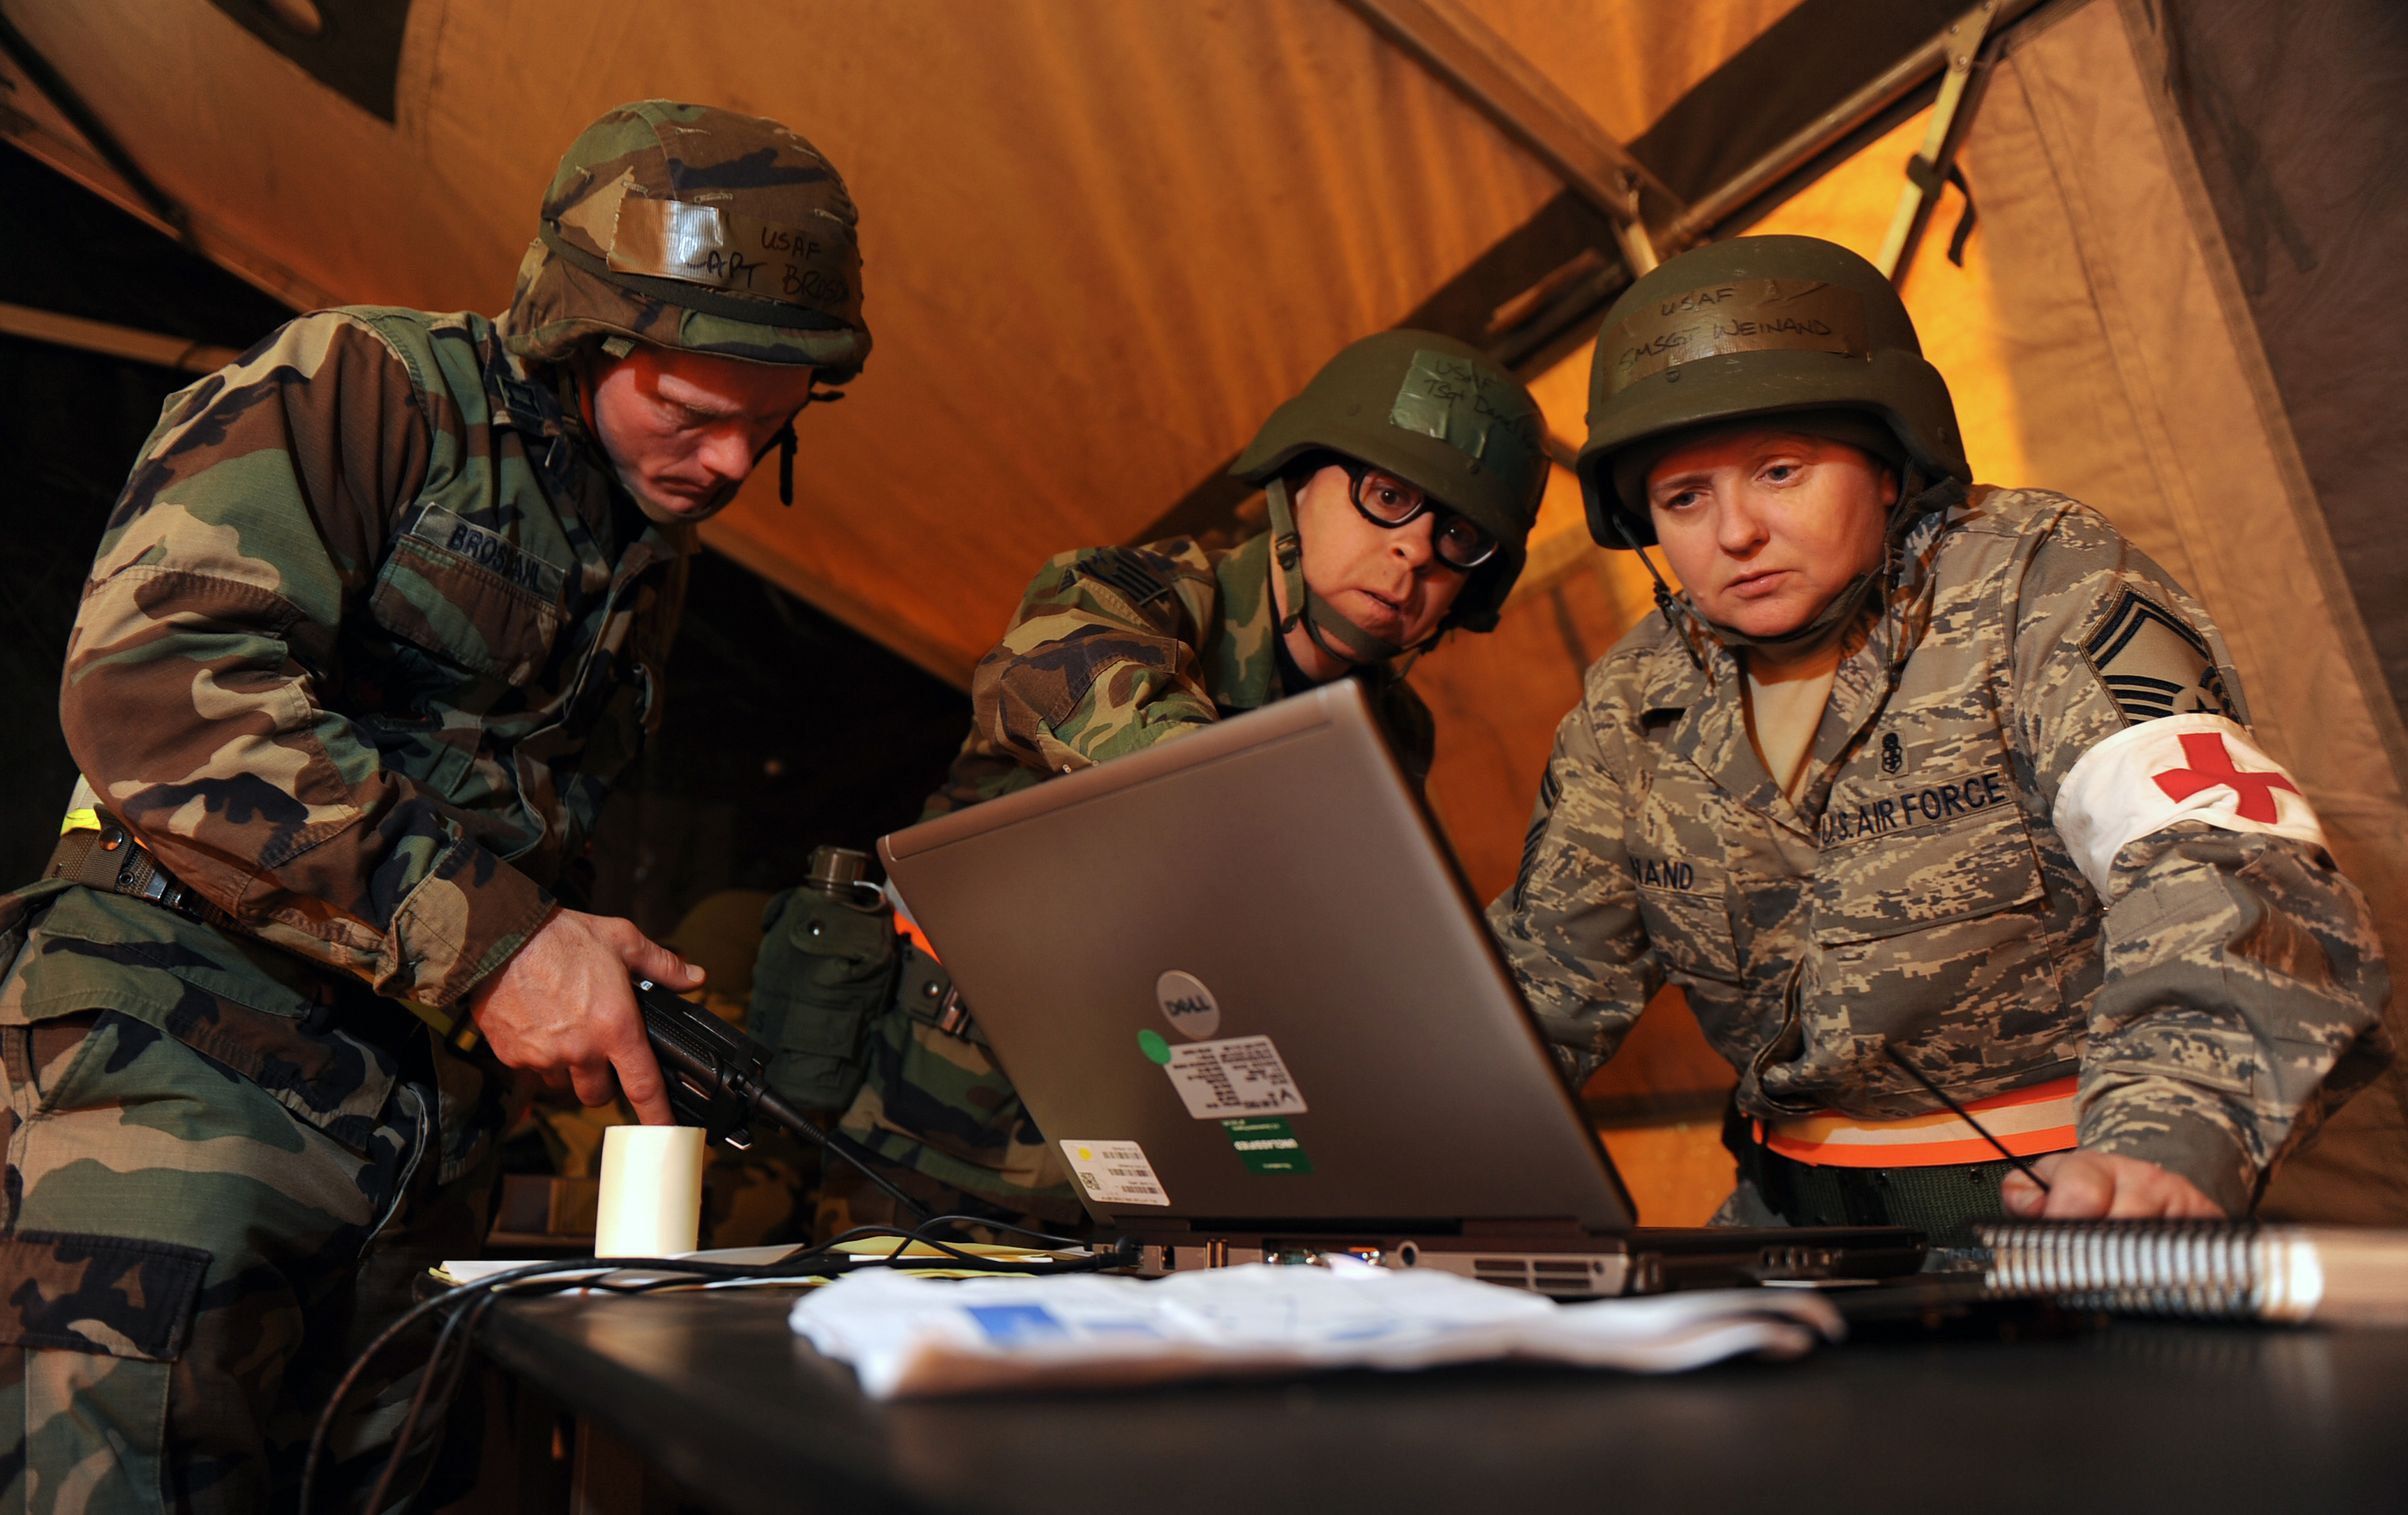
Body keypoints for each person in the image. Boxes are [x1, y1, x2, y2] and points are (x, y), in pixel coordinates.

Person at [0, 100, 869, 1507]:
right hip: (183, 1086)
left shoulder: (639, 542)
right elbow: (153, 690)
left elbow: (502, 815)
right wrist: (504, 944)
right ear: (584, 329)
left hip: (418, 1150)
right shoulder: (365, 389)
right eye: (697, 414)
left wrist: (561, 957)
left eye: (766, 431)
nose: (724, 467)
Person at [1488, 234, 2390, 1232]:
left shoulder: (2039, 586)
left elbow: (2215, 861)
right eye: (1684, 498)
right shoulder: (1633, 702)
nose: (1734, 532)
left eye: (1779, 471)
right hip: (1788, 1241)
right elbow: (1539, 986)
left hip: (2071, 1225)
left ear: (1887, 464)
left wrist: (2166, 1142)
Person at [747, 332, 1549, 1230]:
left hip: (1167, 1171)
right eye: (1387, 498)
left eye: (1458, 537)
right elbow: (1090, 700)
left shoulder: (1393, 734)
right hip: (933, 1151)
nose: (1413, 554)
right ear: (1296, 483)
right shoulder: (1132, 596)